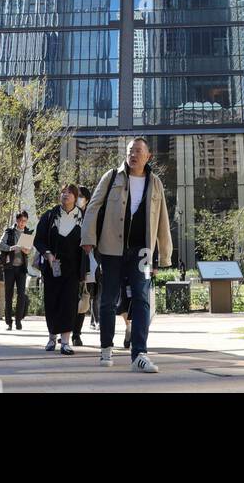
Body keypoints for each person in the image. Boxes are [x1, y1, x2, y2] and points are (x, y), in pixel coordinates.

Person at [81, 135, 172, 374]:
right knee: (108, 299)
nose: (134, 154)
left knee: (142, 299)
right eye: (131, 150)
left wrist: (164, 254)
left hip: (142, 251)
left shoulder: (156, 183)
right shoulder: (111, 177)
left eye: (139, 151)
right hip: (111, 247)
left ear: (148, 156)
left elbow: (162, 219)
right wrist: (88, 238)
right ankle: (106, 348)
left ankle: (139, 354)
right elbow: (93, 206)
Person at [34, 184, 85, 355]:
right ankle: (51, 337)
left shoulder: (83, 216)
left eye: (70, 192)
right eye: (63, 191)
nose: (66, 195)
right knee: (52, 301)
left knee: (69, 303)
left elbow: (91, 239)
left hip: (73, 269)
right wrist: (48, 254)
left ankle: (65, 341)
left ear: (76, 196)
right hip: (52, 267)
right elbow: (38, 239)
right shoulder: (50, 215)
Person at [0, 210, 32, 330]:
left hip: (22, 268)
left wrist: (24, 249)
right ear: (17, 220)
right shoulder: (9, 231)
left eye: (25, 221)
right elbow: (0, 245)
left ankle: (18, 320)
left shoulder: (28, 232)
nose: (23, 223)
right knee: (8, 294)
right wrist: (13, 247)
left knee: (21, 295)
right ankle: (9, 322)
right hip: (9, 268)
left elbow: (28, 251)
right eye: (21, 220)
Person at [72, 188, 96, 347]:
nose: (79, 199)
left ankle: (76, 333)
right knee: (70, 299)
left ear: (87, 199)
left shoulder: (92, 214)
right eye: (77, 196)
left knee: (84, 297)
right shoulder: (69, 213)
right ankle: (67, 330)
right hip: (72, 261)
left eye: (81, 196)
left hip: (88, 261)